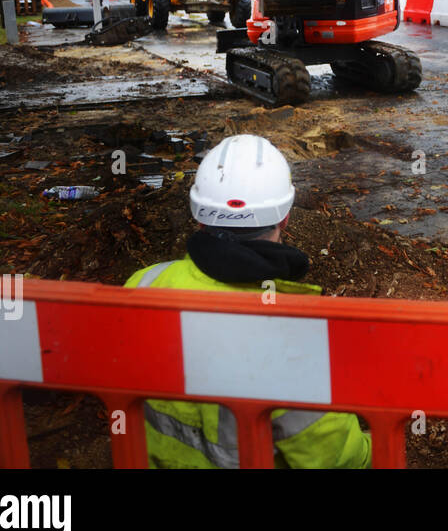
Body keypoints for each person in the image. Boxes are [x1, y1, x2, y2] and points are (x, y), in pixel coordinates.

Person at [125, 134, 372, 469]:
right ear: (285, 217)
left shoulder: (142, 284)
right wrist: (372, 443)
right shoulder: (294, 337)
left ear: (199, 217)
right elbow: (336, 460)